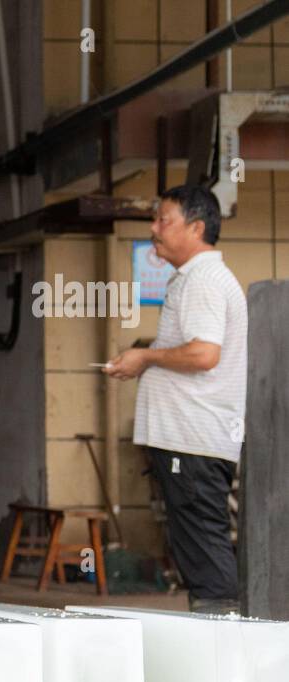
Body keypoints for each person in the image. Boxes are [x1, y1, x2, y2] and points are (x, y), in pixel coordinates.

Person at [105, 184, 246, 614]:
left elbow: (205, 354)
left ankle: (223, 645)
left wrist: (145, 356)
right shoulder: (193, 278)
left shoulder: (203, 280)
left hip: (194, 441)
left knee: (205, 552)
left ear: (196, 227)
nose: (154, 228)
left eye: (164, 220)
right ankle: (214, 641)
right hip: (189, 442)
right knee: (196, 549)